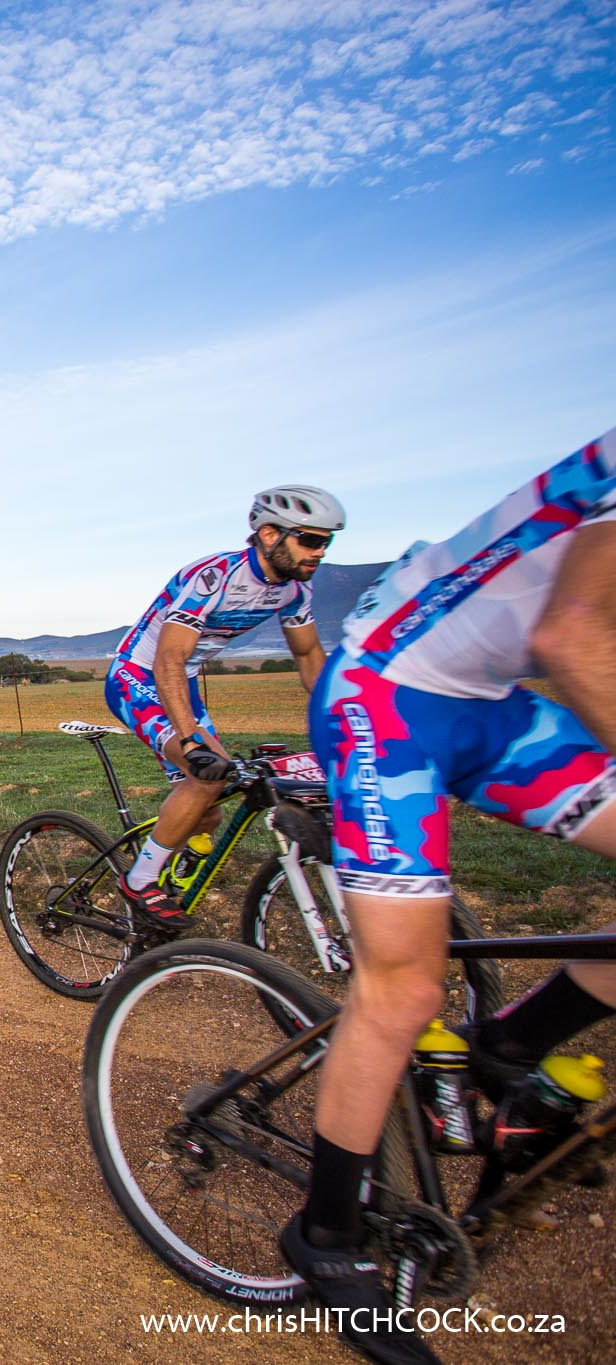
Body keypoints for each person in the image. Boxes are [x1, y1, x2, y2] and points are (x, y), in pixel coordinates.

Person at [281, 427, 616, 1365]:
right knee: (405, 987)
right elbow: (575, 635)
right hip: (389, 699)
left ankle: (510, 1044)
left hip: (493, 702)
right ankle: (328, 1232)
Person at [105, 485, 343, 928]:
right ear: (270, 534)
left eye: (328, 541)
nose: (321, 552)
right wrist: (191, 739)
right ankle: (138, 882)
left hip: (184, 683)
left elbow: (310, 660)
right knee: (206, 770)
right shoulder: (214, 577)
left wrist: (346, 727)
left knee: (210, 805)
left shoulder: (293, 592)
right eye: (310, 540)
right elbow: (169, 658)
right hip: (139, 677)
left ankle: (182, 854)